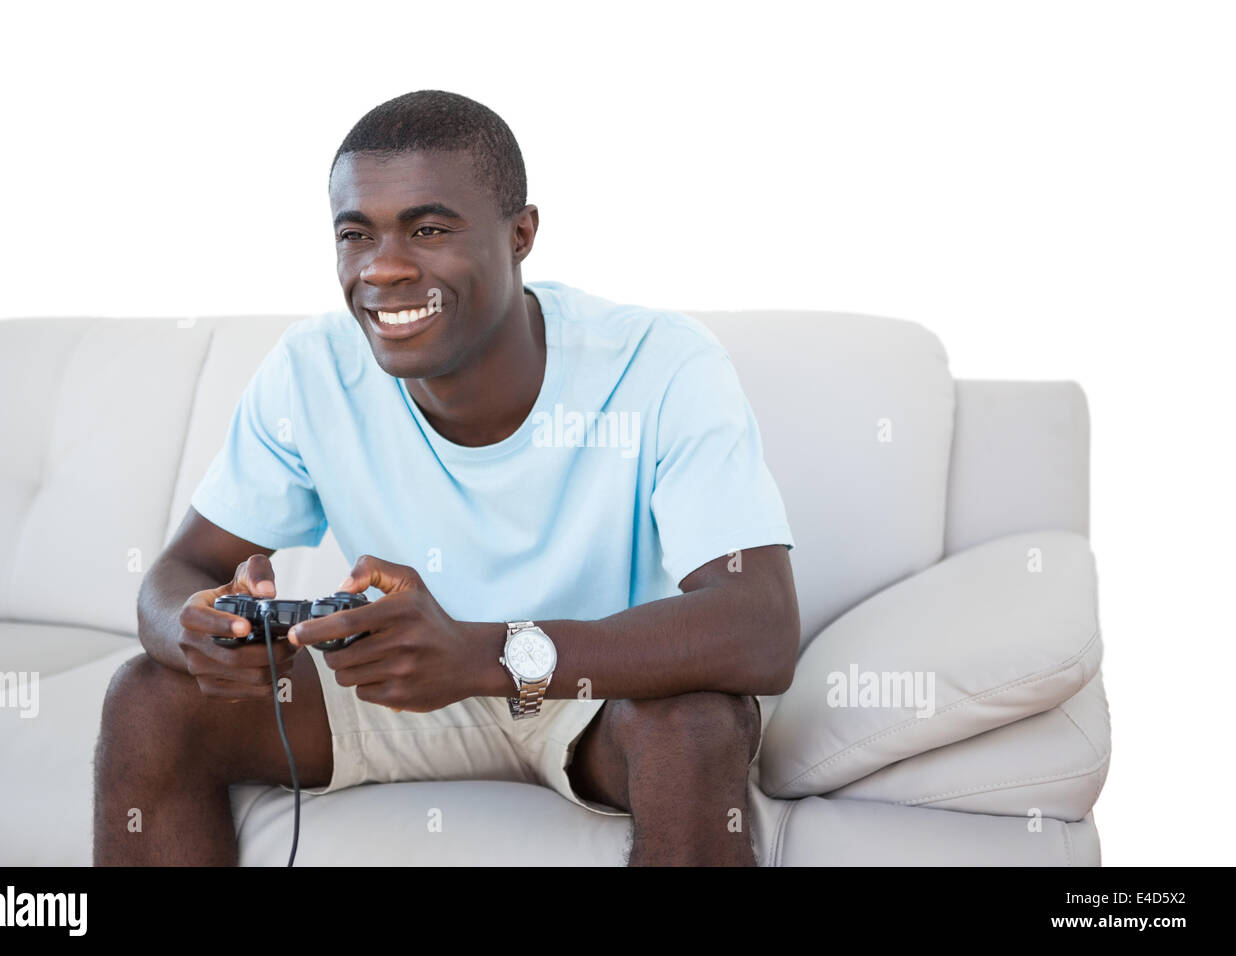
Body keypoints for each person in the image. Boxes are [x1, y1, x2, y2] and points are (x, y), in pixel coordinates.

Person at [93, 89, 800, 867]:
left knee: (697, 725)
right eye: (355, 234)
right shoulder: (311, 369)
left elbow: (758, 625)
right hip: (400, 691)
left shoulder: (661, 363)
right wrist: (197, 631)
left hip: (593, 696)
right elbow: (179, 571)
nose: (384, 268)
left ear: (522, 234)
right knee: (148, 698)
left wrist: (481, 655)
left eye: (428, 229)